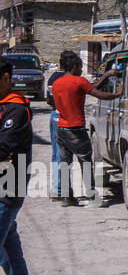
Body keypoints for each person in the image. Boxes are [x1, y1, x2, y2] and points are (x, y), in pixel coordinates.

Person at [50, 51, 121, 207]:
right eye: (80, 67)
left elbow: (88, 88)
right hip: (76, 129)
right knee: (86, 163)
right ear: (74, 66)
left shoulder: (57, 84)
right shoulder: (78, 81)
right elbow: (98, 94)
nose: (82, 70)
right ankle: (92, 196)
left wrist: (107, 75)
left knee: (64, 163)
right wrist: (117, 94)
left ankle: (67, 198)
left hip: (61, 128)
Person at [0, 60, 40, 275]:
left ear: (5, 77)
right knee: (10, 255)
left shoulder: (17, 109)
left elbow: (4, 148)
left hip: (8, 188)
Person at [44, 64, 64, 199]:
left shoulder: (52, 78)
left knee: (56, 153)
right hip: (65, 117)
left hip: (54, 115)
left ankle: (56, 188)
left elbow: (48, 100)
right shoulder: (71, 78)